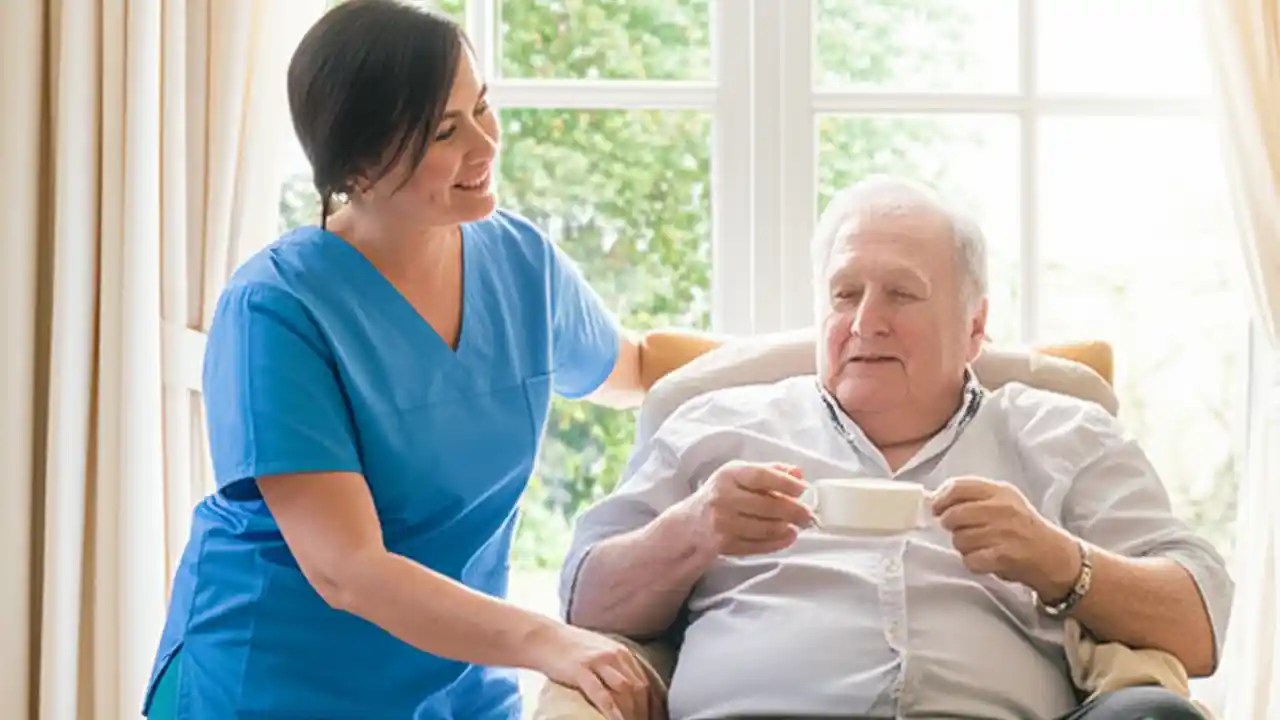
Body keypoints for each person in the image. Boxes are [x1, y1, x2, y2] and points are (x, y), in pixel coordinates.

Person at [142, 2, 659, 718]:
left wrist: (823, 352)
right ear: (356, 163)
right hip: (276, 681)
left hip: (457, 683)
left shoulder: (520, 263)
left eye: (482, 108)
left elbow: (633, 366)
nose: (486, 145)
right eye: (446, 131)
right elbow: (347, 569)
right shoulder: (276, 308)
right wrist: (551, 640)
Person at [560, 177, 1232, 720]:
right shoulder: (714, 425)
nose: (864, 321)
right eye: (845, 293)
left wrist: (1060, 561)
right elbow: (585, 602)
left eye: (902, 295)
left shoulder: (1064, 434)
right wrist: (694, 529)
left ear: (975, 326)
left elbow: (1199, 627)